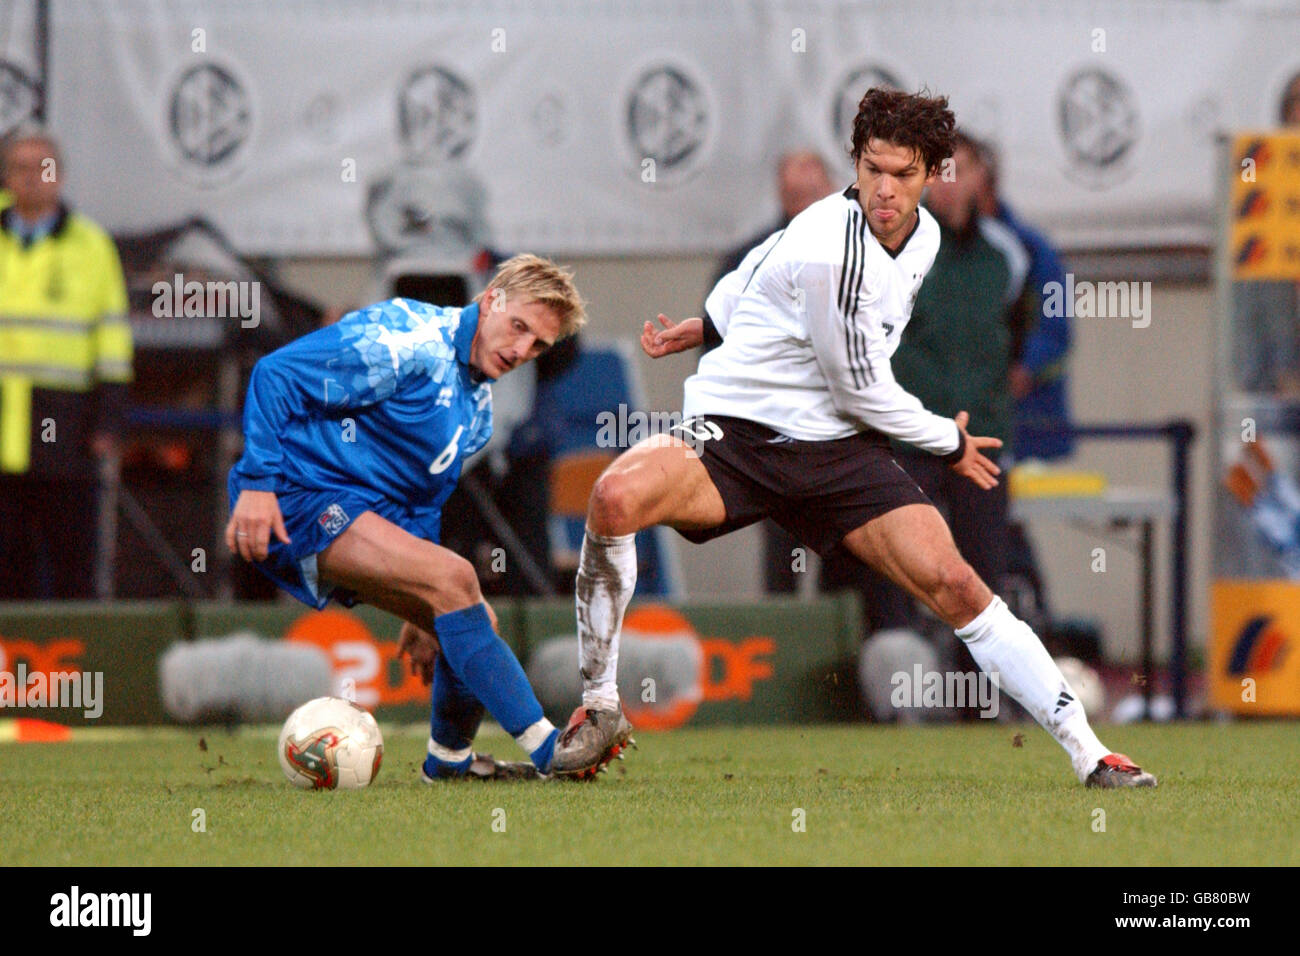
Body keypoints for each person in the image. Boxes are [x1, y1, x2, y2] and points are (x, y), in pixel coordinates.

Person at [551, 88, 1156, 788]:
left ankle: (1092, 754)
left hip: (835, 451)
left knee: (957, 583)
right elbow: (860, 389)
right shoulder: (828, 245)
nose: (886, 189)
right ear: (857, 164)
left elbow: (756, 274)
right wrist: (947, 442)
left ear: (932, 173)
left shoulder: (925, 237)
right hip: (735, 437)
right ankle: (598, 708)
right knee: (612, 498)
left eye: (903, 174)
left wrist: (714, 321)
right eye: (873, 170)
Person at [226, 254, 584, 780]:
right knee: (458, 577)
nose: (521, 349)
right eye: (519, 327)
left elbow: (419, 502)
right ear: (490, 301)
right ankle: (553, 752)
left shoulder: (478, 410)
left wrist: (422, 603)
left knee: (471, 615)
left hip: (353, 513)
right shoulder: (405, 338)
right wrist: (258, 484)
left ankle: (448, 764)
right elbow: (275, 374)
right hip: (293, 495)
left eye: (538, 346)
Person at [856, 131, 1033, 701]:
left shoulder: (1008, 254)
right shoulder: (890, 245)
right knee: (901, 563)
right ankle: (895, 693)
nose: (955, 184)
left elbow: (1022, 334)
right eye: (944, 172)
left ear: (984, 180)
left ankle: (976, 697)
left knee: (981, 566)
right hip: (910, 437)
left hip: (981, 439)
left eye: (967, 171)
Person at [0, 126, 132, 599]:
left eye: (44, 167)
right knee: (6, 560)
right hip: (3, 424)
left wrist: (109, 421)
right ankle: (9, 668)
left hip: (66, 426)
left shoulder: (90, 245)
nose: (33, 177)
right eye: (20, 167)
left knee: (72, 555)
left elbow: (113, 342)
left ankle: (78, 663)